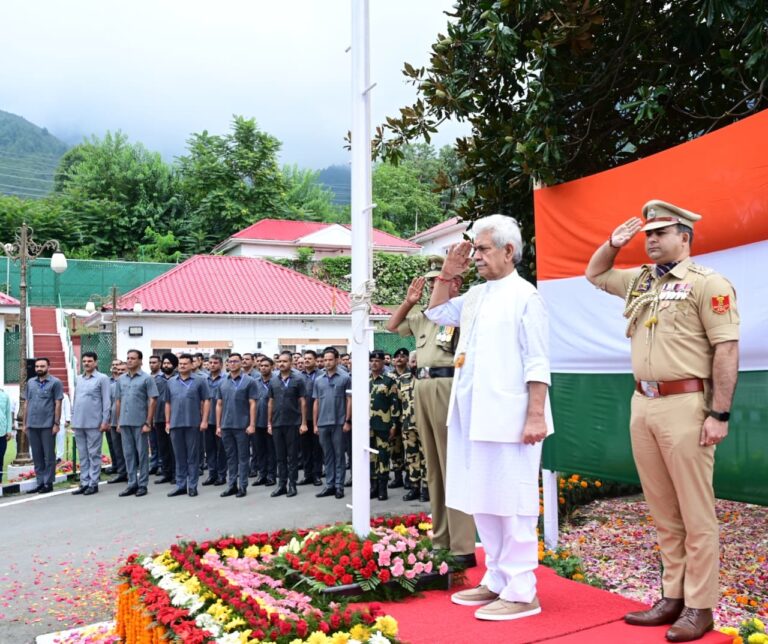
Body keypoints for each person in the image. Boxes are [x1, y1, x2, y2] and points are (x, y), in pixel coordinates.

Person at [585, 201, 739, 642]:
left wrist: (719, 413)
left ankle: (699, 606)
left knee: (695, 513)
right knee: (663, 510)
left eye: (660, 233)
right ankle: (672, 597)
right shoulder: (641, 280)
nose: (650, 240)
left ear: (684, 237)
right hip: (644, 403)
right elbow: (595, 274)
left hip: (686, 404)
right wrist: (612, 244)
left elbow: (726, 349)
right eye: (647, 234)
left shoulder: (708, 283)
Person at [428, 214, 553, 621]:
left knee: (513, 503)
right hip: (472, 415)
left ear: (508, 250)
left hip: (512, 417)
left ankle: (522, 590)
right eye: (475, 249)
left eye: (482, 248)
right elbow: (436, 313)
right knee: (484, 499)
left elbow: (538, 361)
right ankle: (497, 578)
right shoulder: (477, 295)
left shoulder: (526, 296)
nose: (476, 255)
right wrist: (448, 273)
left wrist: (536, 416)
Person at [386, 258, 477, 566]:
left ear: (456, 283)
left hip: (448, 383)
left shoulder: (463, 312)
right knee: (434, 466)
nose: (431, 287)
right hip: (422, 386)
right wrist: (408, 302)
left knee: (454, 463)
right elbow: (392, 326)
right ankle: (441, 538)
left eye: (438, 281)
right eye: (430, 282)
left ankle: (463, 545)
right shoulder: (422, 317)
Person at [115, 349, 159, 497]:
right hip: (125, 421)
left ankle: (143, 484)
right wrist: (119, 421)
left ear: (140, 361)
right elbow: (118, 400)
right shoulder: (121, 379)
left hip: (140, 422)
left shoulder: (147, 379)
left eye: (133, 358)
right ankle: (132, 483)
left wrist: (148, 422)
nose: (129, 360)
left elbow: (152, 400)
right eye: (128, 358)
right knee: (128, 454)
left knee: (142, 454)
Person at [165, 353, 210, 497]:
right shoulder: (171, 382)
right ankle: (181, 485)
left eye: (185, 363)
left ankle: (192, 486)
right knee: (179, 456)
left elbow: (206, 401)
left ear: (192, 365)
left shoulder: (200, 381)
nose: (182, 366)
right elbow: (167, 403)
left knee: (192, 456)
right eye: (180, 364)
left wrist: (204, 421)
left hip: (193, 423)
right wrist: (167, 422)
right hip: (175, 424)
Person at [216, 353, 258, 498]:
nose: (232, 364)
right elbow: (219, 404)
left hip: (242, 426)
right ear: (227, 364)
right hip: (226, 425)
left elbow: (253, 404)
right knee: (230, 457)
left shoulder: (249, 381)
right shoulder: (222, 382)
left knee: (243, 457)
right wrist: (218, 425)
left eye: (235, 361)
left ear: (241, 363)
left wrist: (252, 424)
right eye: (230, 361)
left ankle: (243, 486)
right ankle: (231, 485)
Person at [268, 351, 308, 498]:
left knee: (292, 456)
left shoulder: (298, 380)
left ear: (291, 363)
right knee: (280, 456)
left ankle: (292, 484)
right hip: (277, 423)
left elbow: (302, 402)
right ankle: (282, 485)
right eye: (279, 361)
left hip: (293, 423)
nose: (281, 364)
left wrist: (303, 423)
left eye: (285, 361)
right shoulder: (273, 380)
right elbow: (270, 402)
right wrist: (269, 423)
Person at [313, 347, 351, 499]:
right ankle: (329, 485)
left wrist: (347, 421)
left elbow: (349, 401)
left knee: (339, 455)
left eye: (330, 359)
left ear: (337, 360)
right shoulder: (318, 380)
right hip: (323, 423)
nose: (327, 362)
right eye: (325, 360)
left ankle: (339, 486)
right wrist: (315, 424)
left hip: (339, 422)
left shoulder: (345, 378)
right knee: (327, 456)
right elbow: (316, 402)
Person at [71, 352, 111, 496]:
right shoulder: (79, 379)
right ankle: (84, 482)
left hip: (95, 423)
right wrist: (73, 419)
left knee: (94, 454)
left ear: (95, 362)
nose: (86, 363)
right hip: (79, 423)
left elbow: (106, 401)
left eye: (89, 361)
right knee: (83, 454)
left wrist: (105, 421)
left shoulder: (102, 378)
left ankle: (93, 483)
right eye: (84, 361)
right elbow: (75, 399)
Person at [22, 357, 64, 494]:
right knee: (37, 455)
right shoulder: (30, 382)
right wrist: (25, 423)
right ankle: (40, 482)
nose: (39, 368)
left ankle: (48, 483)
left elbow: (58, 403)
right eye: (37, 366)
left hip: (48, 425)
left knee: (49, 456)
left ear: (48, 367)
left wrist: (56, 423)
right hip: (32, 425)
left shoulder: (56, 382)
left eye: (42, 366)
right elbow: (26, 403)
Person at [392, 347, 427, 502]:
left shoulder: (428, 377)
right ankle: (414, 487)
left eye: (417, 361)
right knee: (412, 458)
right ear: (409, 363)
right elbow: (397, 403)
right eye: (413, 361)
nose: (415, 364)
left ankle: (426, 488)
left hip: (425, 425)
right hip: (407, 426)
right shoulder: (402, 380)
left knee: (426, 458)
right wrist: (396, 424)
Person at [368, 350, 400, 502]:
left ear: (382, 363)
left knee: (383, 456)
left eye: (377, 361)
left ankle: (382, 488)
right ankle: (373, 487)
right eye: (372, 360)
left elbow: (394, 404)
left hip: (384, 425)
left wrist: (394, 424)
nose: (374, 363)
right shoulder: (366, 380)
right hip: (368, 426)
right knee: (370, 457)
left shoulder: (389, 380)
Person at [299, 350, 324, 487]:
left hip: (318, 417)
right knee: (305, 448)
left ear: (315, 360)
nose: (307, 360)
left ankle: (317, 475)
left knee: (317, 448)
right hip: (302, 418)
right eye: (305, 358)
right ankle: (307, 474)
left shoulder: (322, 375)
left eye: (310, 358)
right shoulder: (298, 376)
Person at [202, 355, 227, 487]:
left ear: (221, 365)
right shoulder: (204, 379)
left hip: (221, 420)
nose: (212, 365)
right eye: (210, 362)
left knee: (221, 450)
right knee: (210, 449)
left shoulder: (226, 379)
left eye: (215, 363)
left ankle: (222, 475)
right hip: (207, 419)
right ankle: (212, 474)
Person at [252, 356, 277, 486]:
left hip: (272, 421)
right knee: (259, 450)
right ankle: (262, 475)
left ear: (272, 367)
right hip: (257, 421)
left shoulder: (276, 381)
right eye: (261, 366)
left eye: (266, 366)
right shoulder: (254, 382)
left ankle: (271, 475)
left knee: (271, 450)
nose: (263, 368)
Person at [106, 360, 128, 483]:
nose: (119, 372)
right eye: (118, 370)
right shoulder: (112, 386)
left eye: (122, 370)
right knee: (118, 449)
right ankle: (122, 473)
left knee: (129, 449)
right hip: (114, 422)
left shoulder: (131, 384)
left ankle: (132, 473)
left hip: (128, 422)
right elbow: (108, 404)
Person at [0, 385, 16, 483]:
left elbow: (8, 414)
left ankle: (0, 481)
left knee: (0, 457)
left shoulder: (5, 396)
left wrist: (9, 430)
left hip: (2, 432)